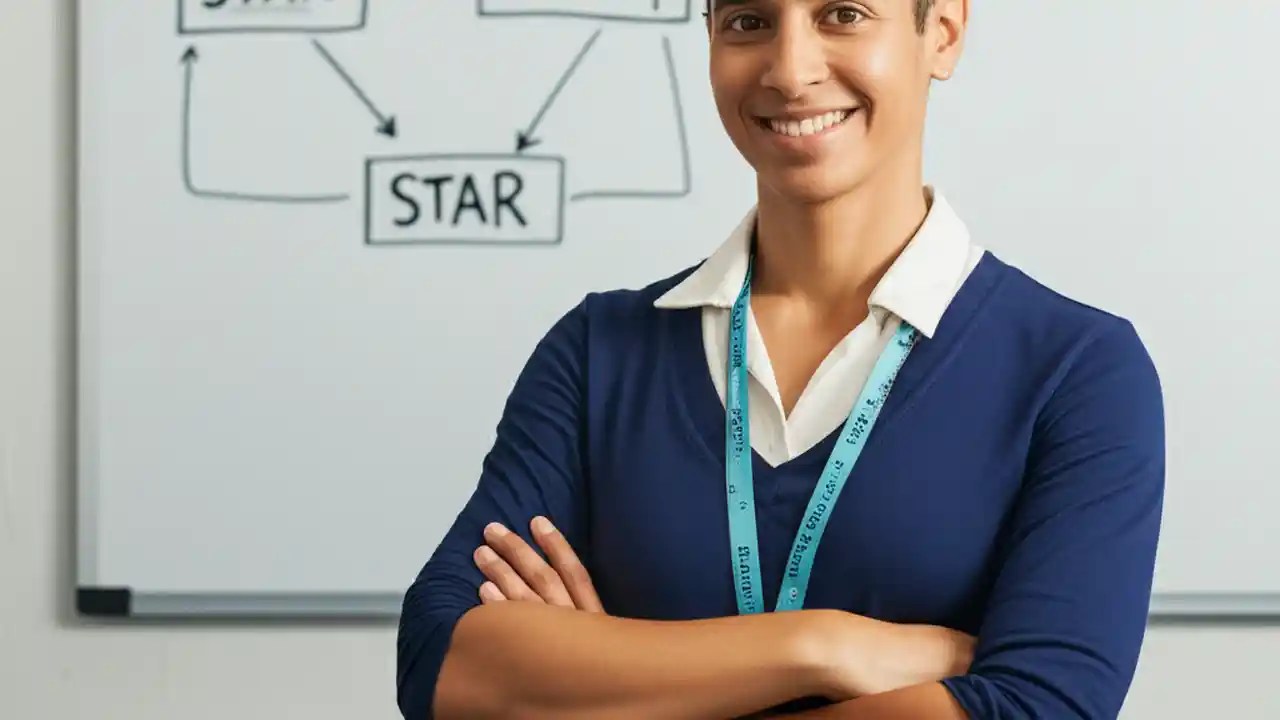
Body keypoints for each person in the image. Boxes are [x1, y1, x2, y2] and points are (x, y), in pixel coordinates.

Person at [396, 0, 1165, 717]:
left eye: (843, 13)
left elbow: (1040, 706)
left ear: (944, 32)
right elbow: (442, 658)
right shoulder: (600, 352)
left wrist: (605, 689)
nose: (790, 71)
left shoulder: (1077, 371)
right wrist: (827, 649)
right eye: (749, 20)